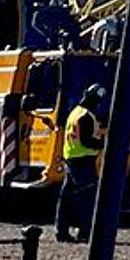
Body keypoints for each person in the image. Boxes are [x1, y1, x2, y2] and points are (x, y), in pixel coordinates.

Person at [55, 84, 106, 243]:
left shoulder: (75, 112)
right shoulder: (86, 116)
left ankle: (61, 231)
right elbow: (86, 141)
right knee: (87, 199)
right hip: (83, 162)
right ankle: (84, 232)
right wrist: (104, 144)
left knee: (67, 198)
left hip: (71, 159)